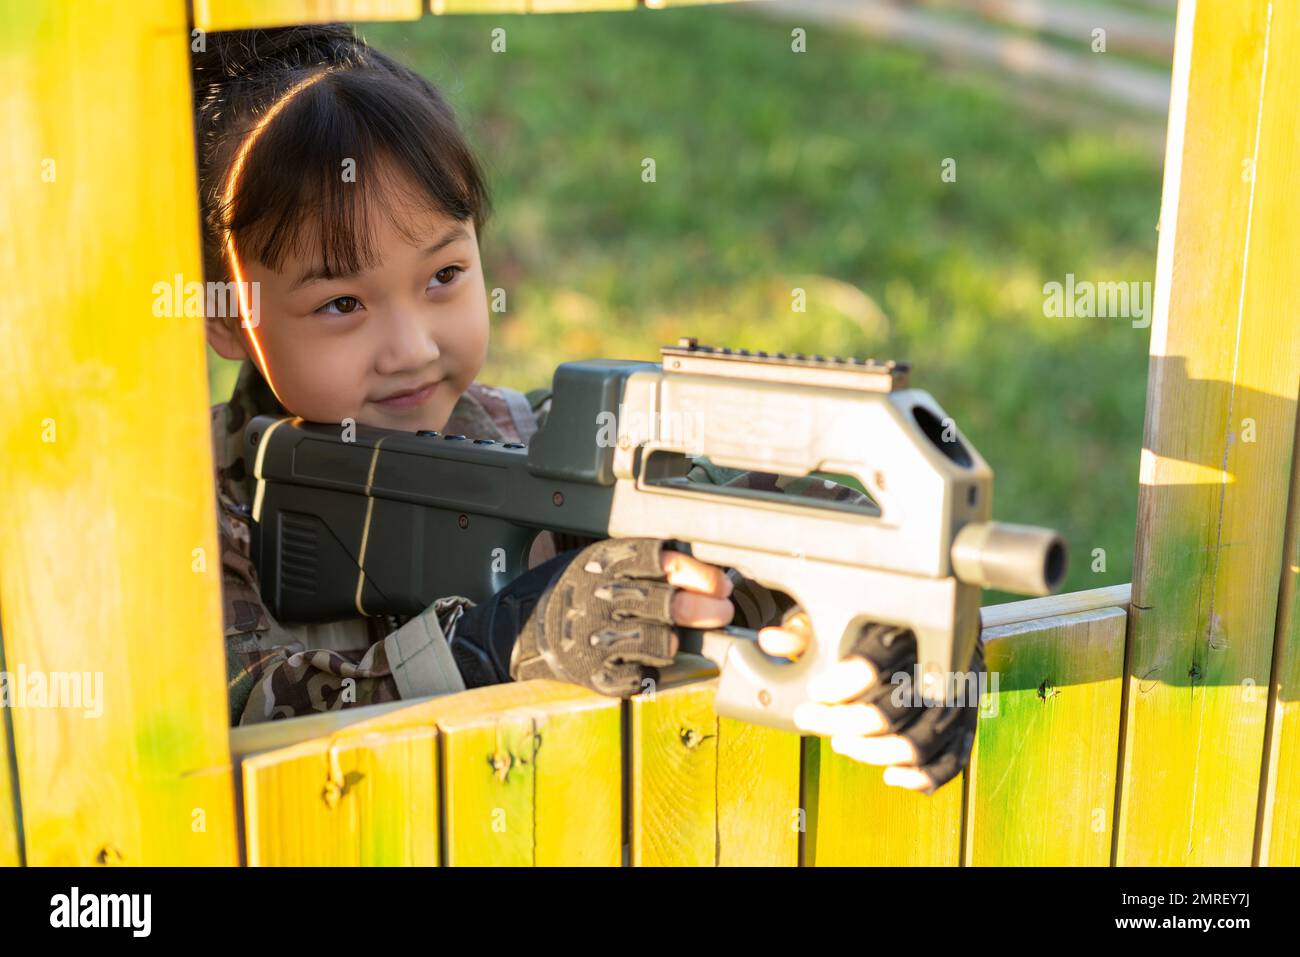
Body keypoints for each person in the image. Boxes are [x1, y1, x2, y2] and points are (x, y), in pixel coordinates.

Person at [196, 24, 980, 794]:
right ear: (229, 318)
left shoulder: (537, 442)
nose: (410, 346)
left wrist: (881, 629)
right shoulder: (192, 506)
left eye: (442, 276)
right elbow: (233, 719)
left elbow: (726, 529)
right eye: (340, 302)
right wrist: (493, 644)